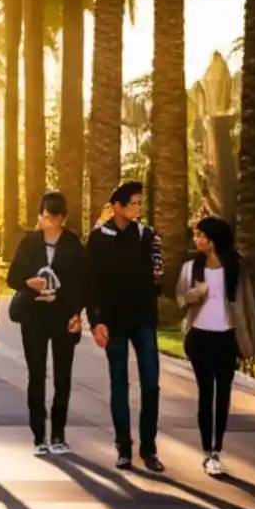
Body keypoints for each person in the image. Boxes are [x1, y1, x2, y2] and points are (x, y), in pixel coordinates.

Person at [86, 181, 166, 472]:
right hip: (113, 322)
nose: (138, 207)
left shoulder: (146, 236)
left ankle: (149, 449)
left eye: (139, 203)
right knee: (119, 383)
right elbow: (90, 285)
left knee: (151, 384)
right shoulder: (98, 239)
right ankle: (123, 448)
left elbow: (158, 277)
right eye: (132, 202)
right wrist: (96, 322)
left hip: (144, 319)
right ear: (117, 206)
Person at [176, 216, 255, 477]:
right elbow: (180, 299)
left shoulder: (236, 268)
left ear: (214, 240)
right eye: (196, 235)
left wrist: (250, 347)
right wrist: (195, 294)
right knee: (206, 393)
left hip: (227, 338)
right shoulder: (191, 268)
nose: (197, 239)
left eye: (201, 235)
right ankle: (207, 451)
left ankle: (217, 450)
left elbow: (248, 308)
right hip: (200, 338)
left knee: (223, 394)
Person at [7, 192, 87, 456]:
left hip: (63, 317)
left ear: (63, 216)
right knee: (37, 375)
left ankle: (59, 435)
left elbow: (82, 283)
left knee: (63, 378)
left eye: (53, 214)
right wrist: (30, 283)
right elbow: (13, 277)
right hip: (34, 317)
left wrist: (74, 310)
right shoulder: (29, 242)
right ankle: (39, 436)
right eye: (44, 213)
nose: (47, 218)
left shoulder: (73, 244)